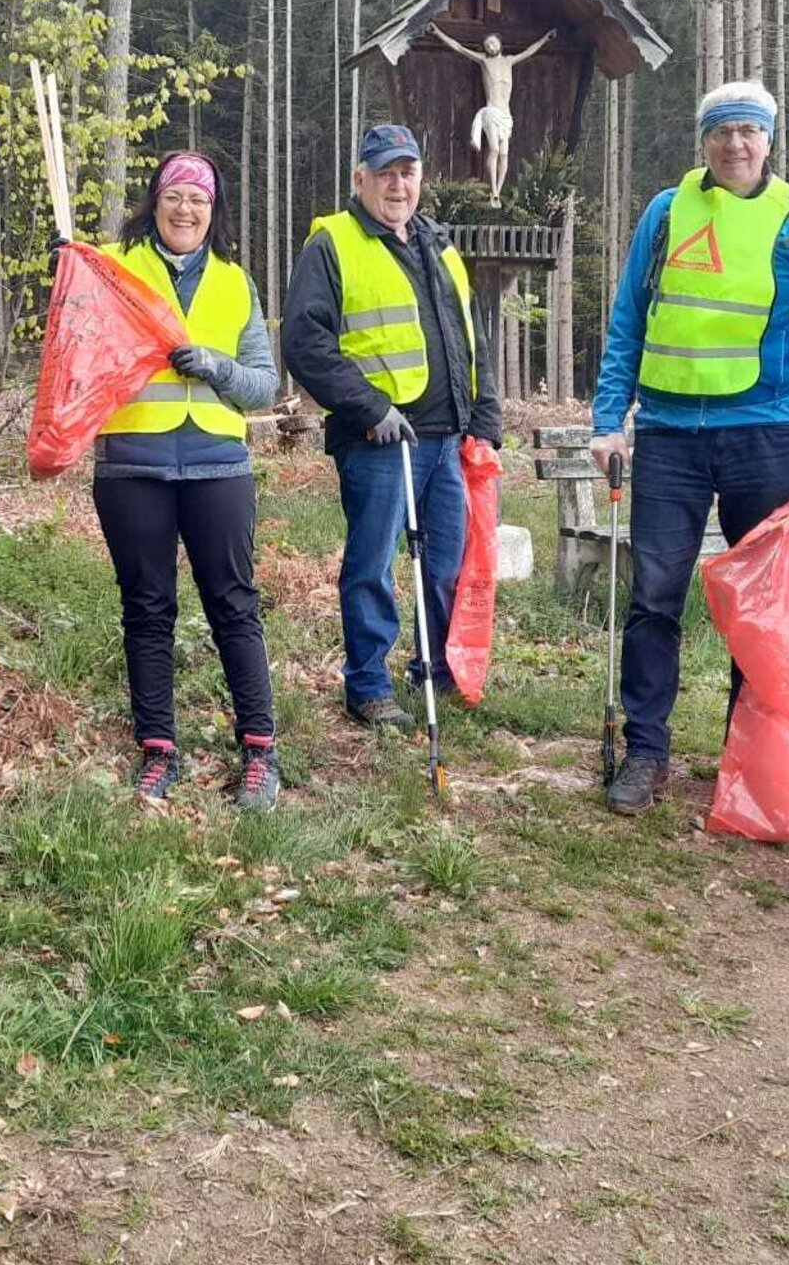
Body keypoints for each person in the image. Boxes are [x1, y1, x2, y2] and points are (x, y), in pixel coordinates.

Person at [590, 80, 789, 815]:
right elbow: (628, 320)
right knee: (654, 597)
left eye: (748, 131)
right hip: (668, 435)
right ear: (703, 140)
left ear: (769, 138)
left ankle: (751, 753)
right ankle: (646, 750)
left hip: (764, 433)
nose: (735, 144)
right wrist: (609, 419)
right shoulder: (666, 212)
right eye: (721, 131)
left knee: (756, 608)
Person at [284, 123, 503, 729]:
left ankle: (435, 671)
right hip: (379, 439)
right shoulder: (333, 244)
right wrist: (369, 408)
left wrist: (484, 417)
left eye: (407, 173)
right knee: (373, 565)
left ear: (420, 179)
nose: (397, 185)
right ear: (360, 179)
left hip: (449, 438)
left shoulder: (439, 244)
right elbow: (304, 342)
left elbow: (471, 338)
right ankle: (368, 685)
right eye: (385, 173)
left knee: (445, 565)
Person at [92, 152, 282, 809]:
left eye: (198, 199)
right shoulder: (114, 269)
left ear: (213, 210)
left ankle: (260, 749)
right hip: (132, 463)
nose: (185, 209)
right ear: (155, 202)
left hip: (218, 465)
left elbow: (264, 384)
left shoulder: (234, 281)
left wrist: (217, 367)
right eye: (174, 195)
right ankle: (157, 750)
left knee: (235, 605)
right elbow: (78, 341)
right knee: (147, 609)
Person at [427, 25, 560, 204]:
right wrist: (438, 32)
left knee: (504, 154)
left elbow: (529, 51)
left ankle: (498, 190)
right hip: (491, 111)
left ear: (499, 44)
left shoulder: (509, 60)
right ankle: (494, 191)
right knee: (494, 150)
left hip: (506, 115)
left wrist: (545, 38)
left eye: (493, 43)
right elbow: (459, 47)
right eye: (487, 45)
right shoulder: (483, 60)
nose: (491, 46)